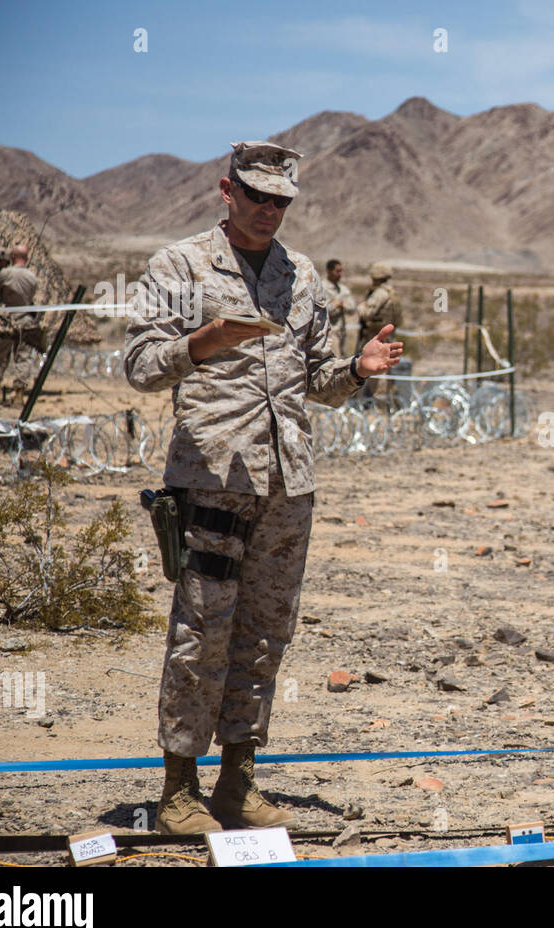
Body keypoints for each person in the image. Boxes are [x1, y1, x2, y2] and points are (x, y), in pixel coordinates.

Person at [124, 141, 403, 834]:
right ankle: (178, 794)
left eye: (282, 200)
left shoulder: (298, 274)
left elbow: (316, 379)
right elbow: (138, 364)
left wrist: (359, 371)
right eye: (258, 197)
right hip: (214, 477)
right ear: (227, 190)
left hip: (287, 482)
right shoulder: (181, 266)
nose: (270, 210)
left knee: (263, 635)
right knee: (201, 633)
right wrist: (203, 342)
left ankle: (237, 785)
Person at [0, 244, 41, 400]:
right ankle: (19, 394)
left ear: (12, 257)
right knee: (23, 357)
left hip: (7, 319)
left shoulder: (6, 274)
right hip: (26, 320)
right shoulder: (33, 277)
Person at [357, 262, 404, 400]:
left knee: (376, 372)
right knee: (386, 371)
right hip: (389, 338)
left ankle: (376, 403)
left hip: (376, 337)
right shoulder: (392, 293)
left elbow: (366, 313)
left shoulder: (380, 294)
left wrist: (361, 306)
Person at [322, 259, 353, 356]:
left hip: (341, 331)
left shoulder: (343, 289)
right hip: (329, 333)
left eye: (341, 271)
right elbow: (325, 309)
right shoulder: (322, 287)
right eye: (337, 271)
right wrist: (335, 304)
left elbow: (351, 307)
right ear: (329, 271)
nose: (340, 274)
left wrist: (339, 304)